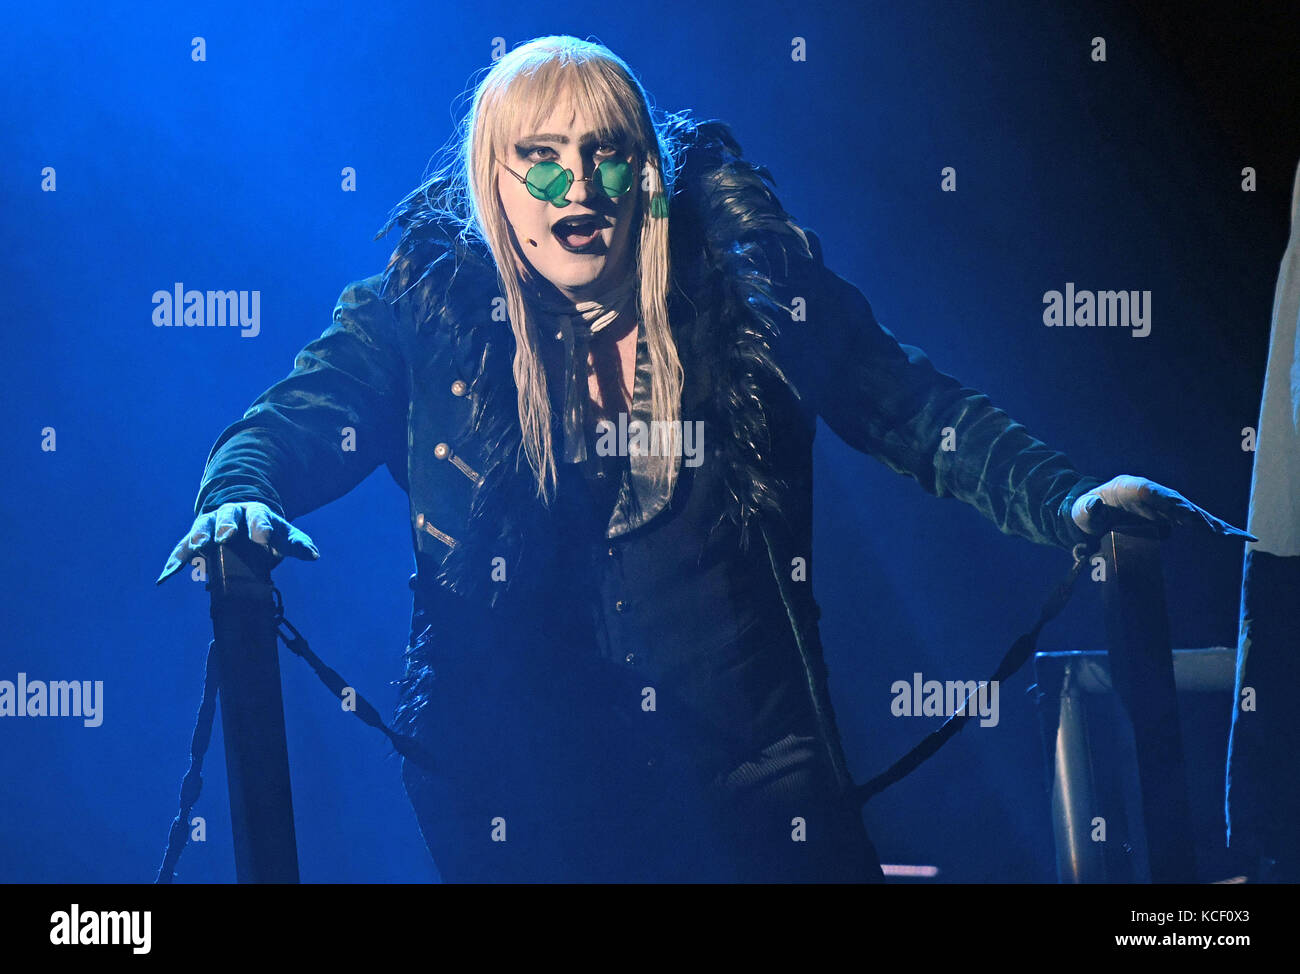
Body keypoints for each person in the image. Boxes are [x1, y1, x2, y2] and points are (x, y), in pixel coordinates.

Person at [157, 36, 1251, 883]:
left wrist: (1067, 496)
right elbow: (288, 424)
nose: (576, 188)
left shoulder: (754, 293)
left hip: (760, 765)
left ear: (649, 171)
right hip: (517, 778)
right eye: (540, 162)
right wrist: (237, 499)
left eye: (604, 154)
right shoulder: (417, 318)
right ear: (495, 183)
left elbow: (916, 407)